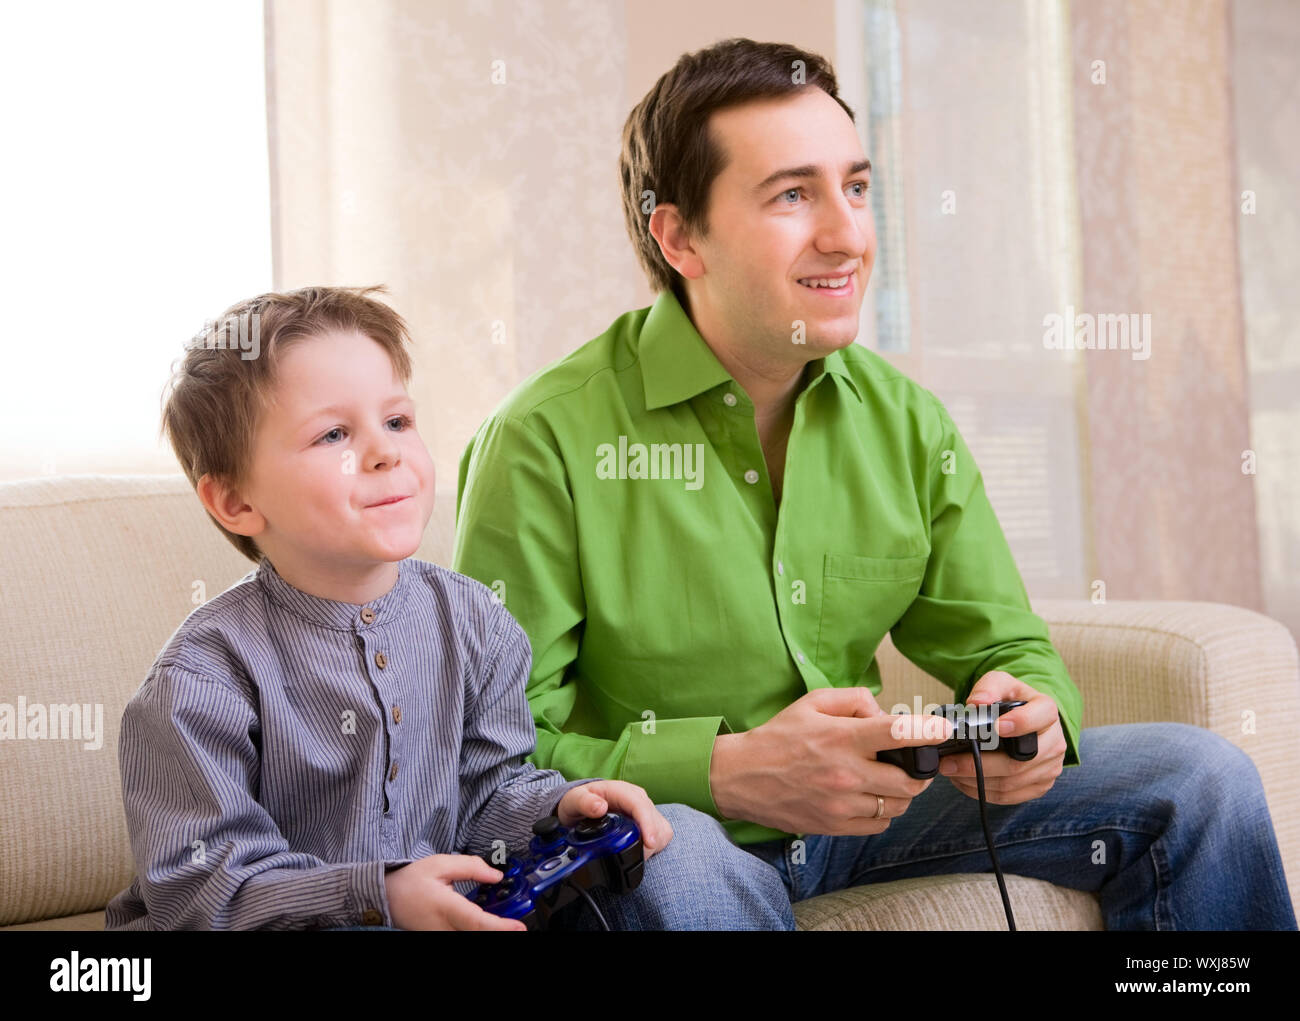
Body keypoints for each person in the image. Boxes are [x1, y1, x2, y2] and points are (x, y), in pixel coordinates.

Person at [452, 38, 1296, 930]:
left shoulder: (903, 421)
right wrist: (728, 767)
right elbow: (492, 763)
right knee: (678, 864)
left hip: (873, 819)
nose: (847, 234)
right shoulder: (541, 440)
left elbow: (1006, 644)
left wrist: (1034, 712)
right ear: (680, 236)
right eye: (791, 194)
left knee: (1202, 778)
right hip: (683, 832)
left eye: (855, 187)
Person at [103, 284, 752, 931]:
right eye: (333, 434)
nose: (386, 451)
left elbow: (487, 792)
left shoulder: (474, 621)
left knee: (681, 846)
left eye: (397, 420)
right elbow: (208, 892)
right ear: (236, 502)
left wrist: (557, 808)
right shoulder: (199, 683)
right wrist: (378, 895)